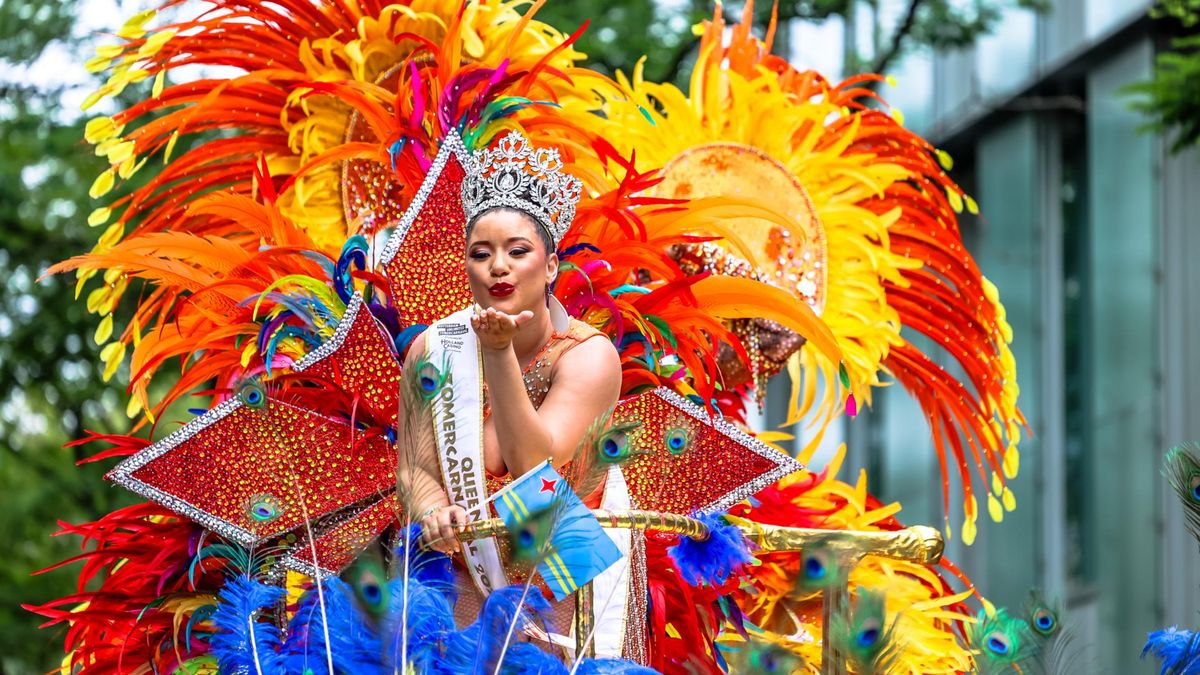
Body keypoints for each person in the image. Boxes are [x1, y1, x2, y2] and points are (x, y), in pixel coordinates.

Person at [395, 131, 631, 654]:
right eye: (482, 254)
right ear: (468, 269)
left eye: (517, 250)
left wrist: (499, 354)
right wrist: (434, 507)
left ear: (550, 266)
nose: (498, 265)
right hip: (455, 583)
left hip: (555, 589)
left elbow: (532, 463)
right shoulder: (434, 349)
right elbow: (413, 465)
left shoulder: (588, 356)